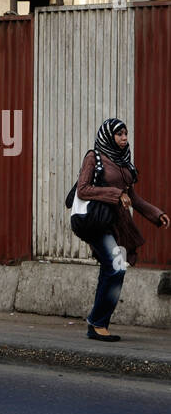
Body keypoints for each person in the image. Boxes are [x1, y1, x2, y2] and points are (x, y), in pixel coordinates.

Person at [74, 118, 169, 342]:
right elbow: (83, 189)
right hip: (95, 221)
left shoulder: (123, 162)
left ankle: (97, 323)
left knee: (113, 268)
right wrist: (116, 194)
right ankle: (97, 322)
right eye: (119, 134)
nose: (124, 138)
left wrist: (157, 214)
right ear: (109, 136)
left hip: (115, 223)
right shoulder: (94, 157)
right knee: (117, 267)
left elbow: (132, 197)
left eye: (126, 134)